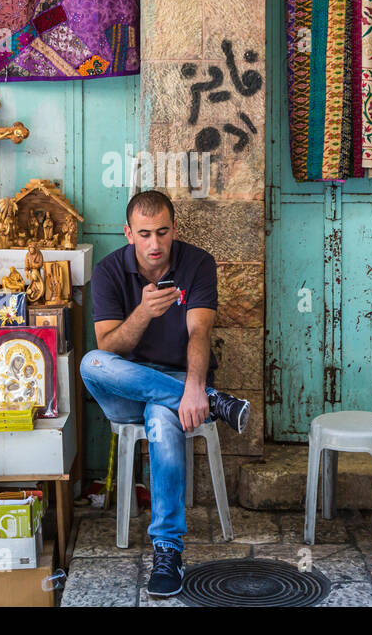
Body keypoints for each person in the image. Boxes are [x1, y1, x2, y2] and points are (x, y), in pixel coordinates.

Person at [82, 190, 250, 598]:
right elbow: (107, 347)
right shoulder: (108, 272)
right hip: (126, 386)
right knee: (91, 362)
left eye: (162, 232)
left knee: (162, 416)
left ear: (174, 229)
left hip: (180, 382)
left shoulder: (197, 264)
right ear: (128, 234)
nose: (154, 244)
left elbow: (199, 331)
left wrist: (192, 386)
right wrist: (144, 312)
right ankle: (216, 401)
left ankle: (168, 551)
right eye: (144, 234)